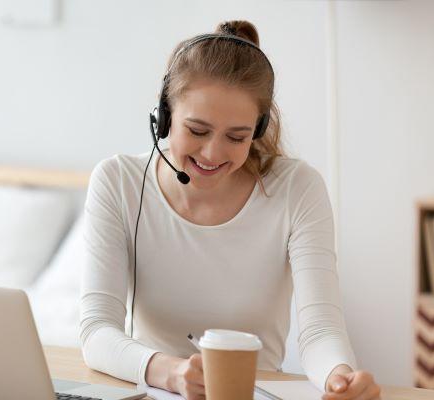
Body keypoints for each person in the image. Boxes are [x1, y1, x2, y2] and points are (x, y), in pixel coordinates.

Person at [79, 20, 381, 400]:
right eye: (198, 130)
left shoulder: (297, 188)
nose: (212, 154)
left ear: (257, 129)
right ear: (165, 116)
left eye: (236, 137)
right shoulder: (117, 181)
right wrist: (171, 373)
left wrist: (341, 376)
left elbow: (320, 331)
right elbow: (96, 330)